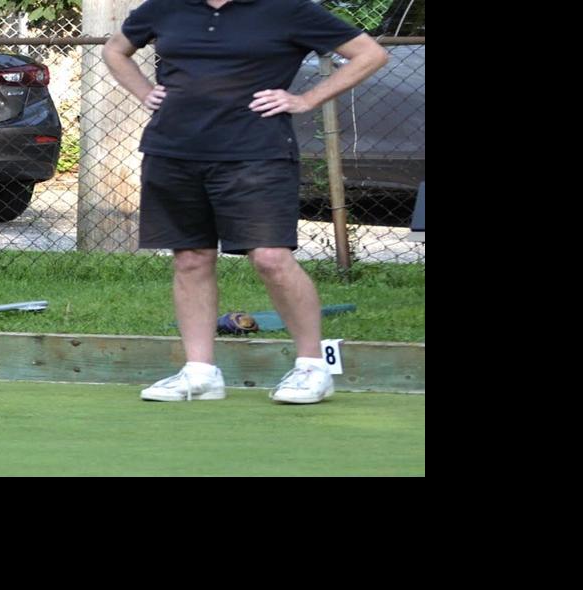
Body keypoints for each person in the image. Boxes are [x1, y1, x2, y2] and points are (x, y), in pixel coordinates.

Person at [103, 0, 389, 404]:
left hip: (257, 154)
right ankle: (200, 374)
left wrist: (306, 100)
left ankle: (312, 369)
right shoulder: (165, 7)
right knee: (190, 258)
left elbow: (370, 53)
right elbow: (115, 49)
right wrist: (145, 92)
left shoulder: (288, 9)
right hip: (173, 152)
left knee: (271, 257)